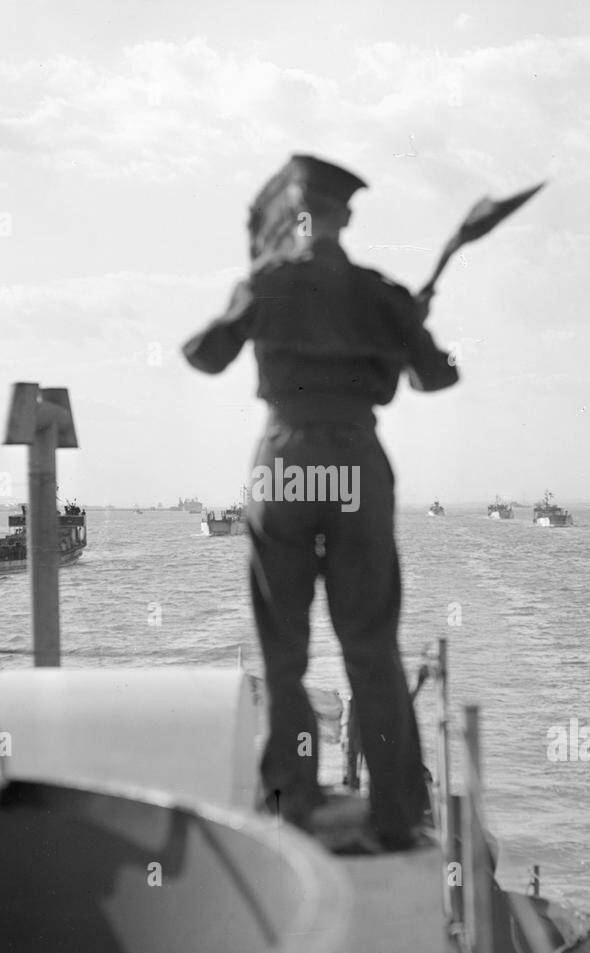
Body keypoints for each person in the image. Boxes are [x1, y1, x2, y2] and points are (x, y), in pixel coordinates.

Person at [181, 154, 458, 851]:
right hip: (358, 465)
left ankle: (294, 799)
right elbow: (436, 377)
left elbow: (205, 356)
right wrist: (401, 327)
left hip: (288, 460)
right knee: (370, 645)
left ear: (292, 218)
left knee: (283, 651)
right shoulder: (382, 294)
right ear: (346, 218)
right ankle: (397, 812)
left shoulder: (268, 283)